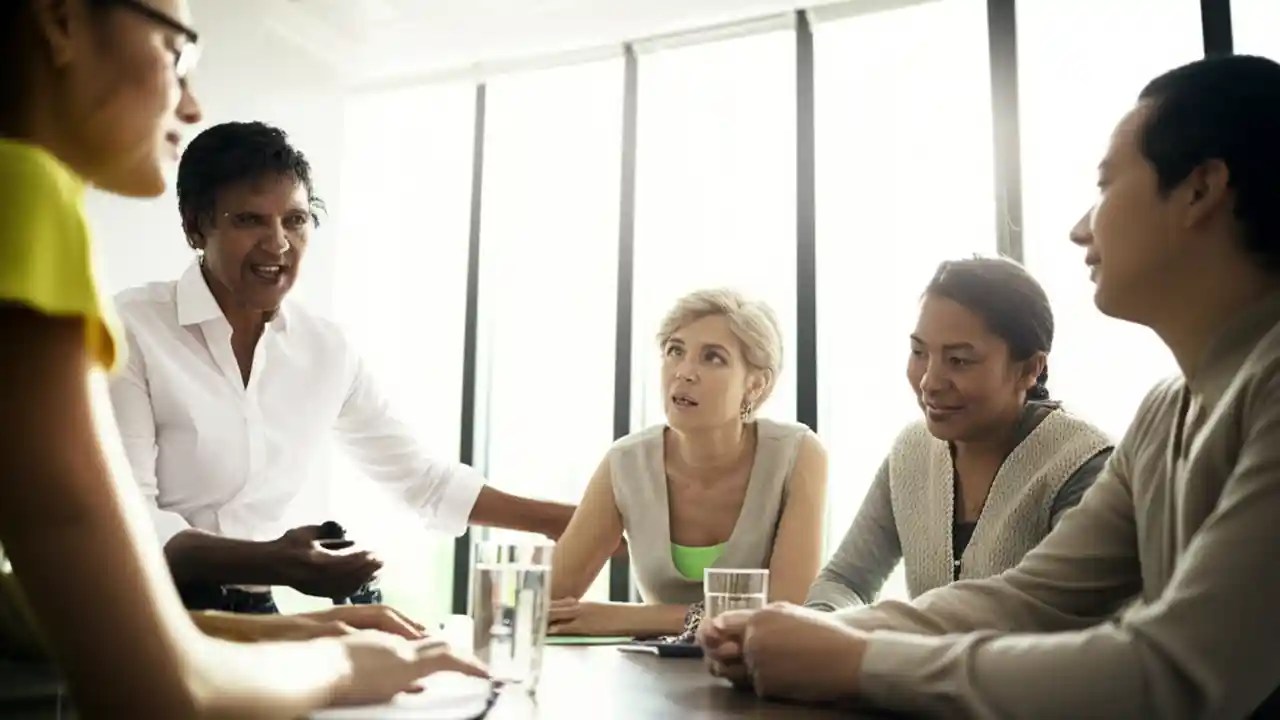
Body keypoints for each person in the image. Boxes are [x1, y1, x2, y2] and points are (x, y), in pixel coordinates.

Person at [700, 54, 1280, 719]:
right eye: (920, 352)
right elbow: (1029, 597)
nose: (1081, 228)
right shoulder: (1164, 410)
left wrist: (857, 661)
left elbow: (1176, 672)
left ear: (1200, 191)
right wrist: (806, 636)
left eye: (1105, 186)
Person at [0, 0, 484, 716]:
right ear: (63, 21)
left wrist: (310, 630)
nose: (191, 105)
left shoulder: (325, 345)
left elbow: (60, 611)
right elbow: (156, 684)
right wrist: (343, 664)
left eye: (295, 220)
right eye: (177, 52)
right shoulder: (25, 202)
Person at [108, 120, 578, 613]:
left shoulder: (325, 349)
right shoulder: (131, 328)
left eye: (295, 220)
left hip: (258, 611)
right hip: (140, 607)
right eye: (249, 220)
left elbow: (422, 479)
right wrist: (276, 562)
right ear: (195, 226)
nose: (278, 243)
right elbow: (129, 518)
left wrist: (575, 522)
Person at [805, 257, 1112, 611]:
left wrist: (882, 633)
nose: (929, 382)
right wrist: (819, 621)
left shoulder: (1081, 466)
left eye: (959, 360)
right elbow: (846, 580)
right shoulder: (912, 452)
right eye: (919, 352)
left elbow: (1054, 616)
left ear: (1030, 368)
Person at [548, 289, 827, 638]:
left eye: (713, 358)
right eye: (675, 351)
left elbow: (786, 614)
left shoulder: (797, 455)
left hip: (761, 669)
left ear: (755, 384)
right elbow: (549, 603)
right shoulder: (626, 464)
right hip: (653, 669)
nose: (684, 372)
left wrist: (628, 617)